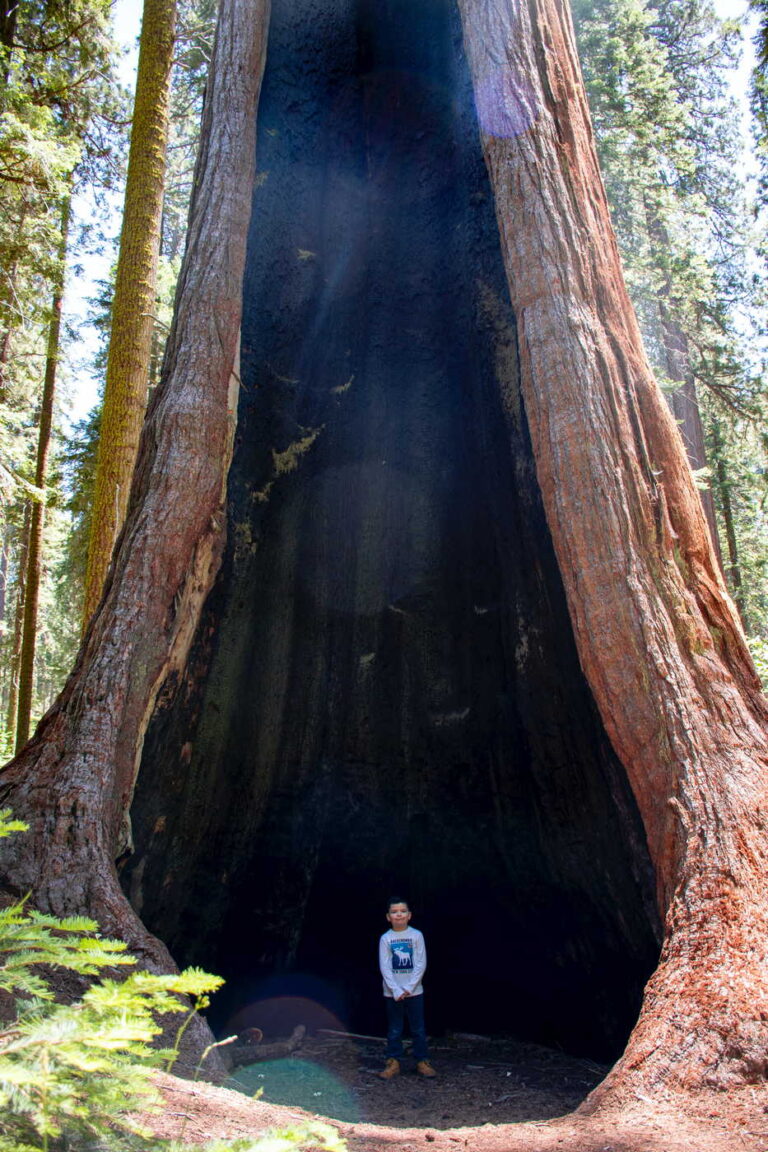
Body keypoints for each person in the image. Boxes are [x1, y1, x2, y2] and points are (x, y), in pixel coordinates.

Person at [378, 897, 437, 1079]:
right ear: (388, 917)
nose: (399, 915)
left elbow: (421, 962)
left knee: (418, 1027)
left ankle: (422, 1061)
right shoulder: (386, 938)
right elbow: (385, 966)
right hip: (392, 993)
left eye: (402, 911)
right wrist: (395, 989)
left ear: (409, 915)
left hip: (414, 991)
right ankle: (393, 1061)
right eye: (394, 912)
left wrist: (409, 987)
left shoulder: (416, 936)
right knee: (395, 1028)